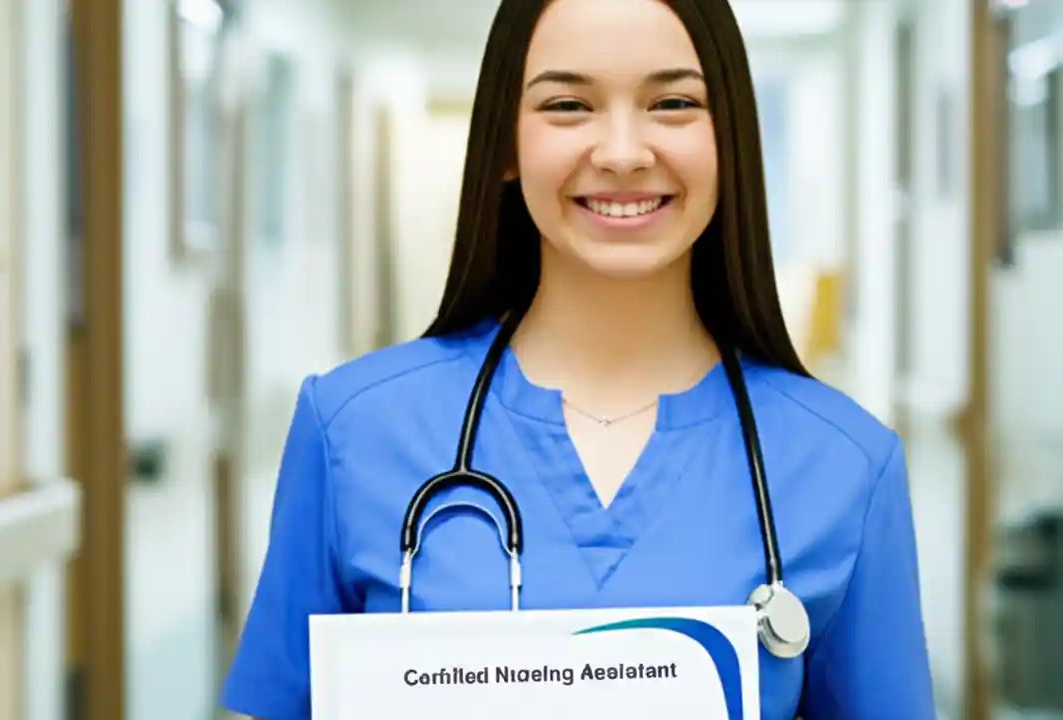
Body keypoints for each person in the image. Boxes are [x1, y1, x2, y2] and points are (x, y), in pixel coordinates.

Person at [222, 0, 936, 717]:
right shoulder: (353, 429)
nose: (623, 152)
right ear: (507, 143)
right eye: (568, 104)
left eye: (674, 102)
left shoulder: (843, 465)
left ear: (731, 142)